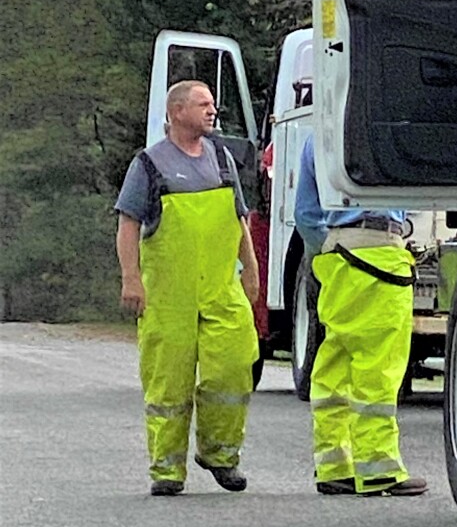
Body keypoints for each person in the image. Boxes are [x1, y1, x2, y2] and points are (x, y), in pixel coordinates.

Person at [115, 80, 260, 496]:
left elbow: (239, 219)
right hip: (168, 296)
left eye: (213, 104)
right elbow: (128, 224)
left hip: (220, 287)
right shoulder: (149, 164)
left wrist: (249, 268)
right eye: (203, 104)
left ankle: (219, 455)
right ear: (177, 112)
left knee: (234, 368)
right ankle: (167, 470)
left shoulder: (221, 158)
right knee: (168, 384)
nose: (212, 111)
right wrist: (131, 278)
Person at [294, 132, 427, 497]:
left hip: (337, 256)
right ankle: (378, 468)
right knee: (379, 362)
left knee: (337, 358)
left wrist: (332, 245)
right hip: (380, 252)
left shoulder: (314, 139)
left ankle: (334, 465)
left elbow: (304, 214)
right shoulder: (383, 125)